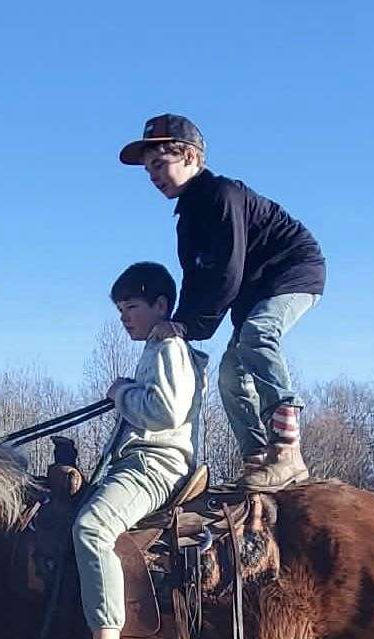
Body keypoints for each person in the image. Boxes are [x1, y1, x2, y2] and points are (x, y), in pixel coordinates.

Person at [119, 114, 326, 491]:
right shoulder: (187, 218)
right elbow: (196, 280)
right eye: (149, 169)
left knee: (258, 335)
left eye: (160, 164)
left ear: (192, 158)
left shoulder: (222, 195)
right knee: (231, 373)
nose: (153, 176)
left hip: (292, 270)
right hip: (255, 289)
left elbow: (226, 272)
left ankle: (287, 451)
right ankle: (257, 459)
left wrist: (186, 326)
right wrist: (182, 326)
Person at [58, 262, 208, 639]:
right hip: (142, 459)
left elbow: (164, 412)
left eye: (132, 307)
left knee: (92, 529)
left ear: (161, 305)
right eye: (121, 309)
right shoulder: (157, 347)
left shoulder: (168, 344)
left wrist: (120, 393)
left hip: (154, 463)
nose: (125, 317)